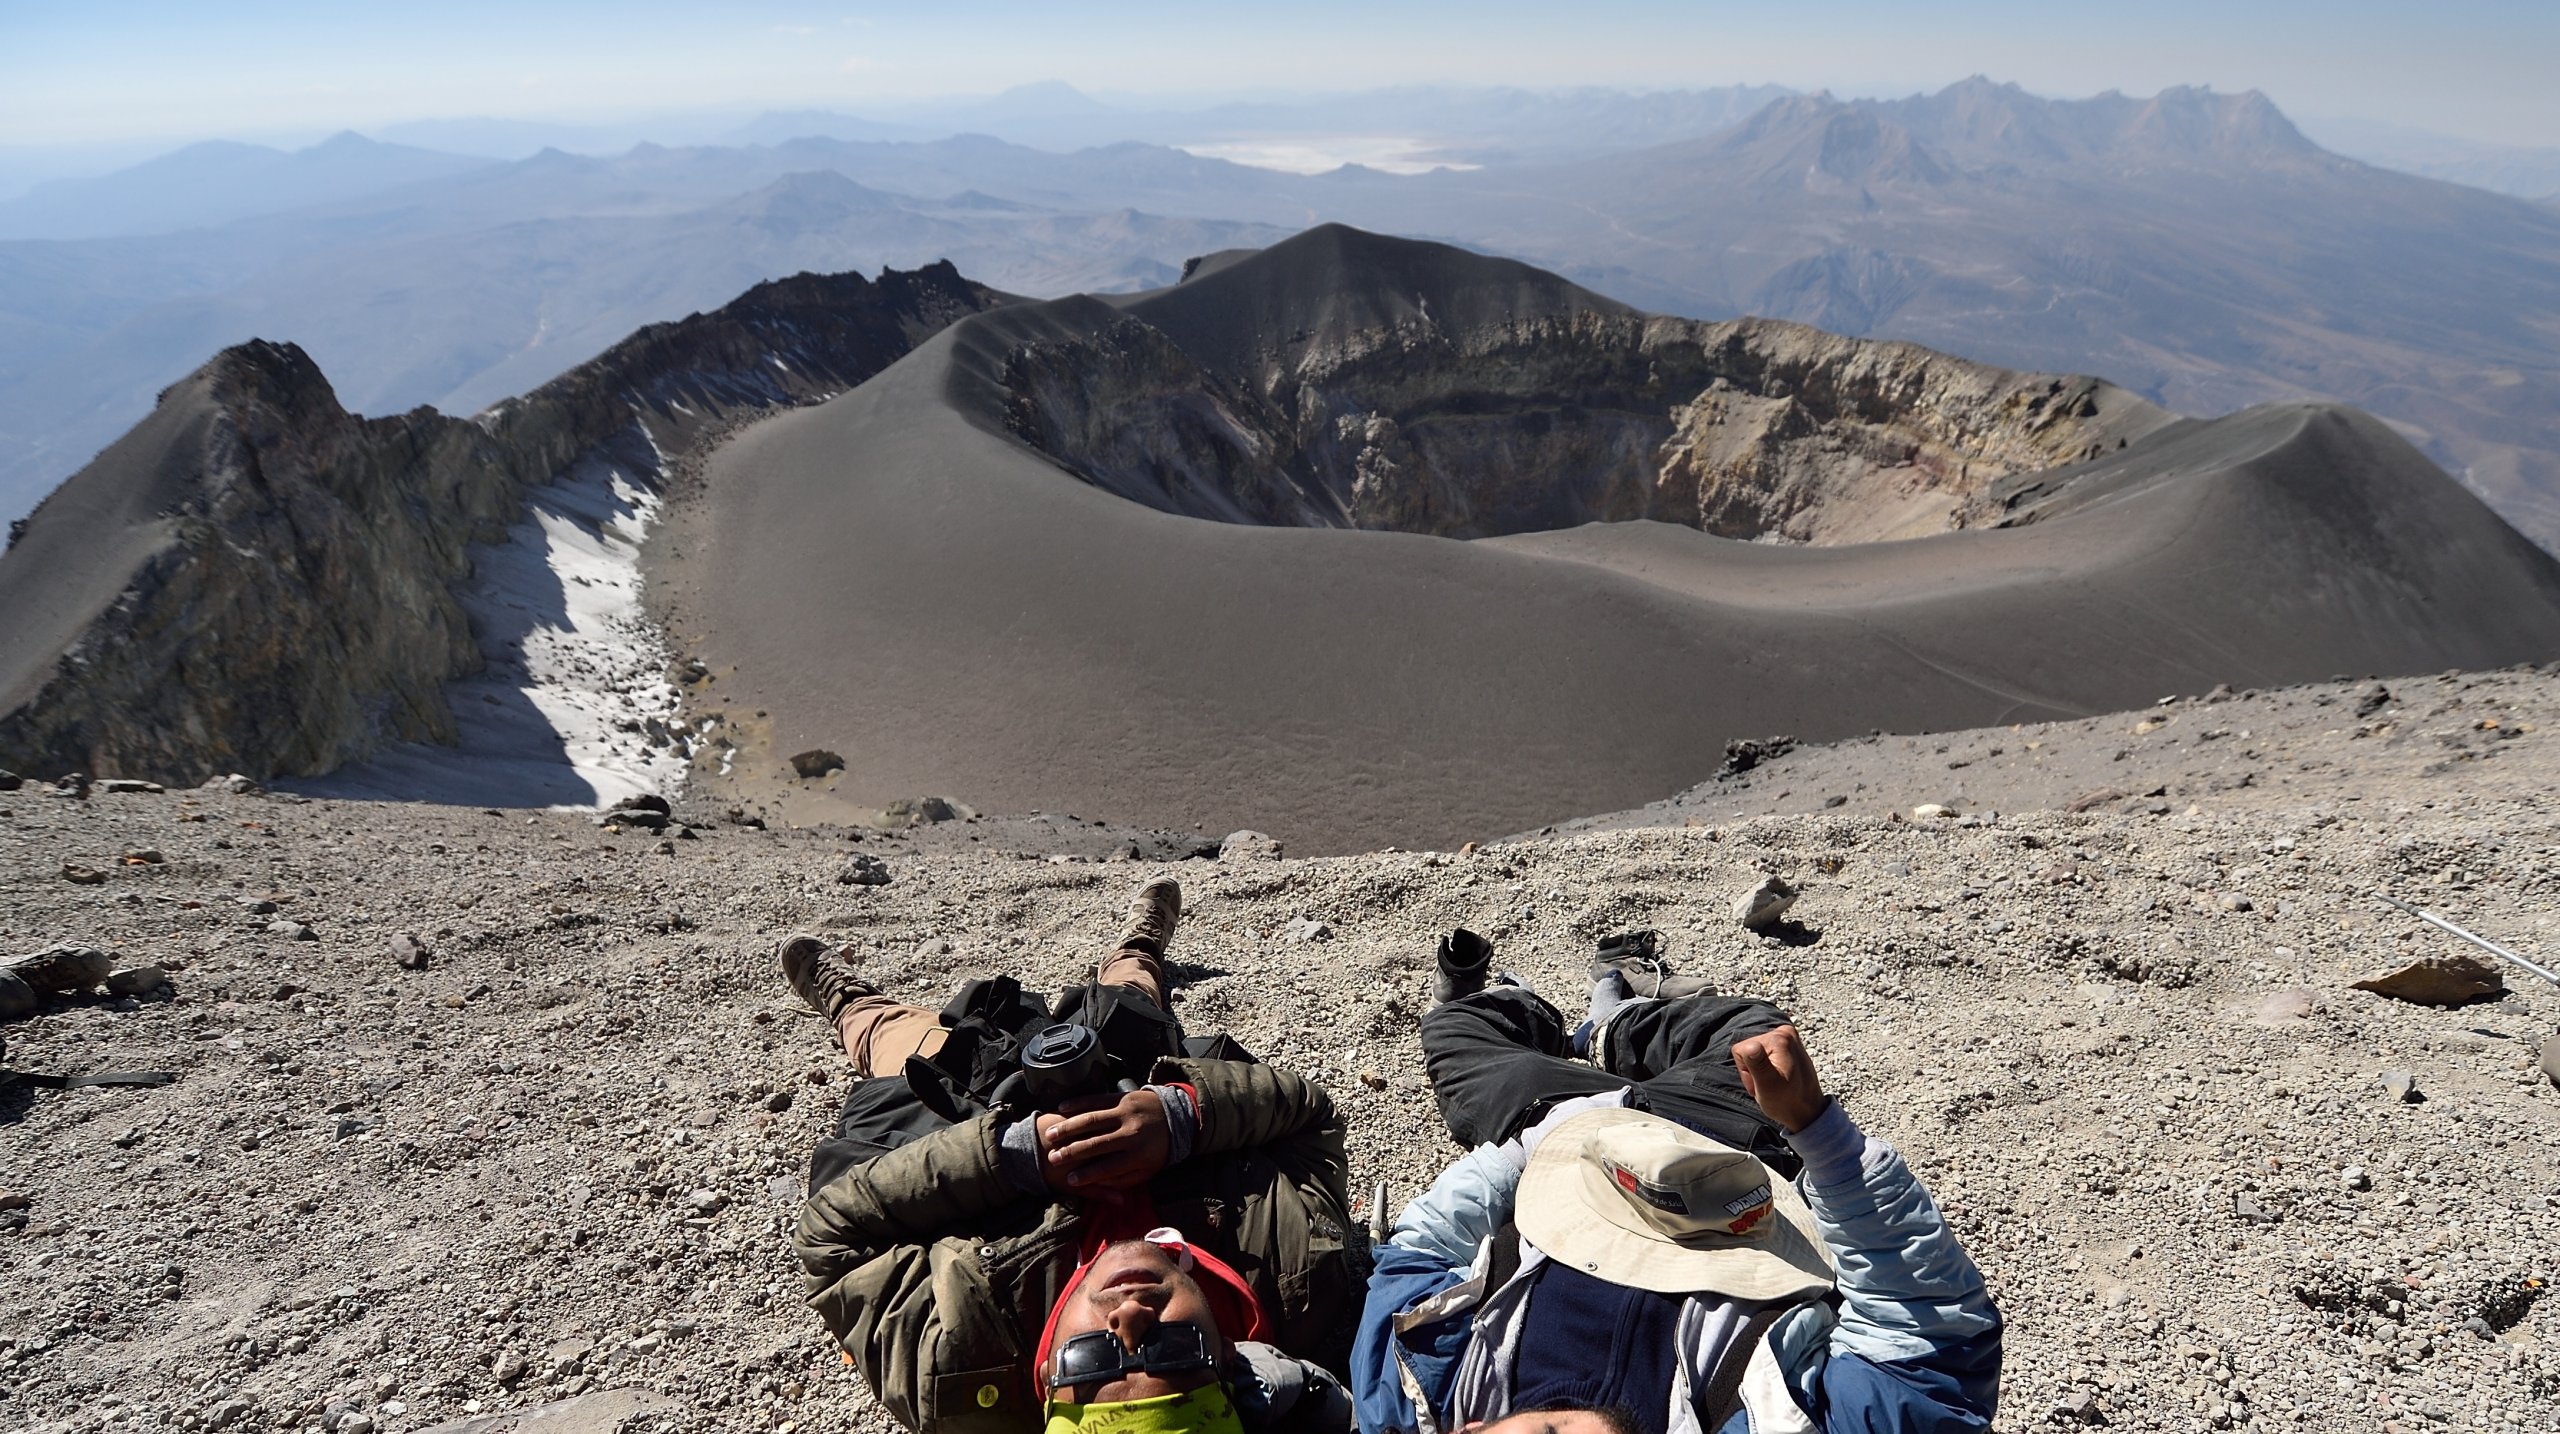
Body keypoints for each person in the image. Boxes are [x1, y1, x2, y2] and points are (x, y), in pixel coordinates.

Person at [1353, 930, 2001, 1434]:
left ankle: (1530, 1013)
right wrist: (1821, 1137)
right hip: (1731, 1147)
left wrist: (1526, 1148)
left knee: (1454, 1030)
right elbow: (1924, 1348)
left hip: (1563, 1137)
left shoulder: (1419, 1406)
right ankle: (1612, 1025)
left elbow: (1418, 1256)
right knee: (1751, 1029)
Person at [784, 876, 1367, 1434]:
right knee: (1130, 1000)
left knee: (901, 1045)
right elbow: (1313, 1123)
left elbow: (831, 1238)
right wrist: (1182, 1117)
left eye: (1091, 1359)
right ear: (1230, 1359)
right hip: (1128, 1078)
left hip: (958, 1128)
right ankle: (1140, 947)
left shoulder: (951, 1372)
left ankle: (847, 1002)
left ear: (1045, 1378)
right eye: (1175, 1351)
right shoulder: (1300, 1279)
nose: (1131, 1317)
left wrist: (1009, 1156)